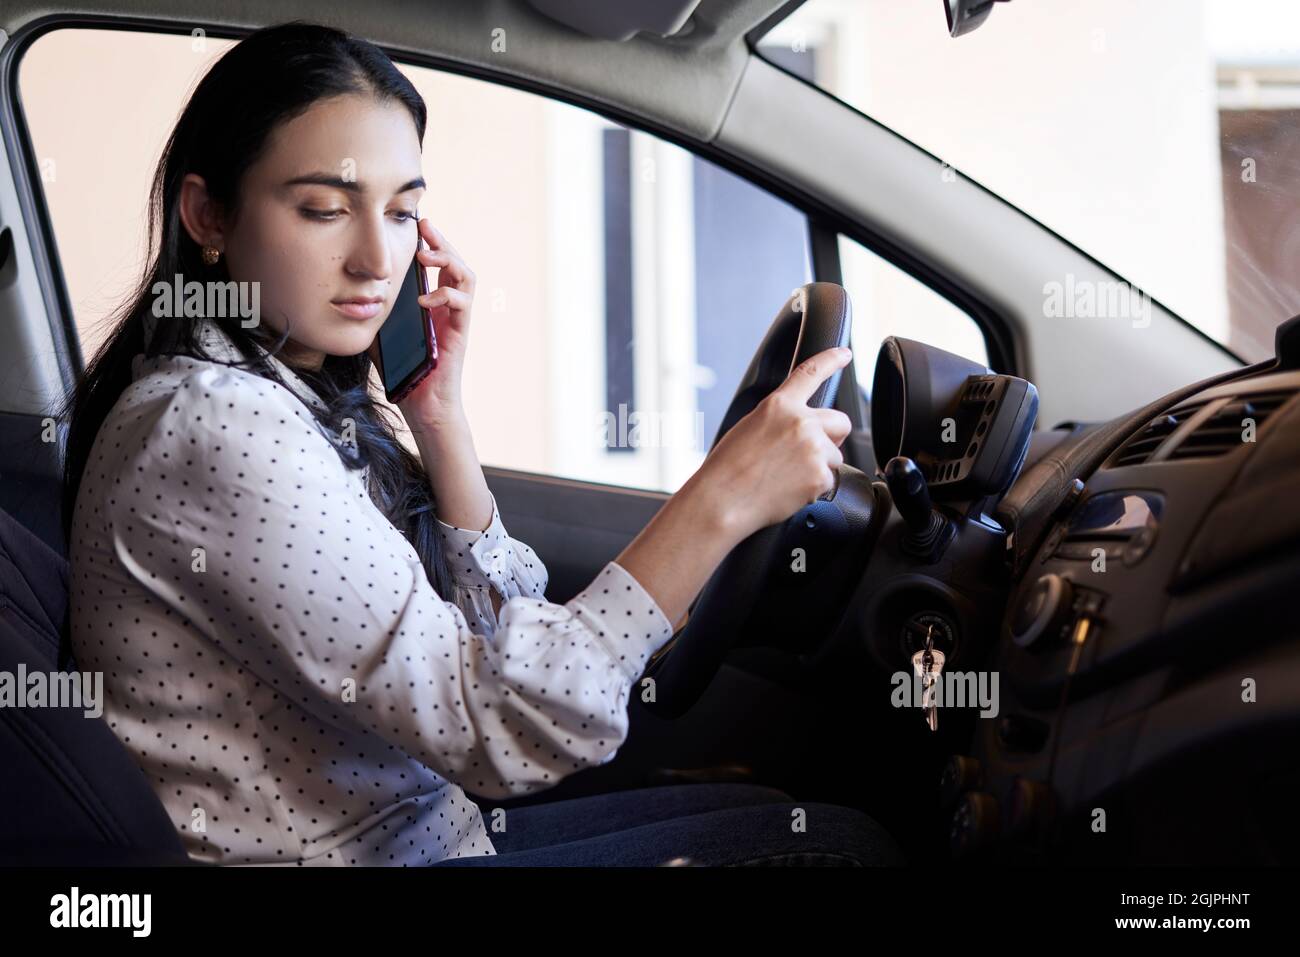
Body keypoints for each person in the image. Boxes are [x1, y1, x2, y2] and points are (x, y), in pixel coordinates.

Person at [61, 20, 901, 867]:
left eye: (403, 212)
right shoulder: (216, 428)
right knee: (835, 851)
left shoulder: (285, 399)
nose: (374, 258)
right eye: (324, 209)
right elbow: (501, 724)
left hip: (424, 833)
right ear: (208, 214)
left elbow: (496, 633)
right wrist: (722, 499)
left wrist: (440, 419)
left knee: (770, 812)